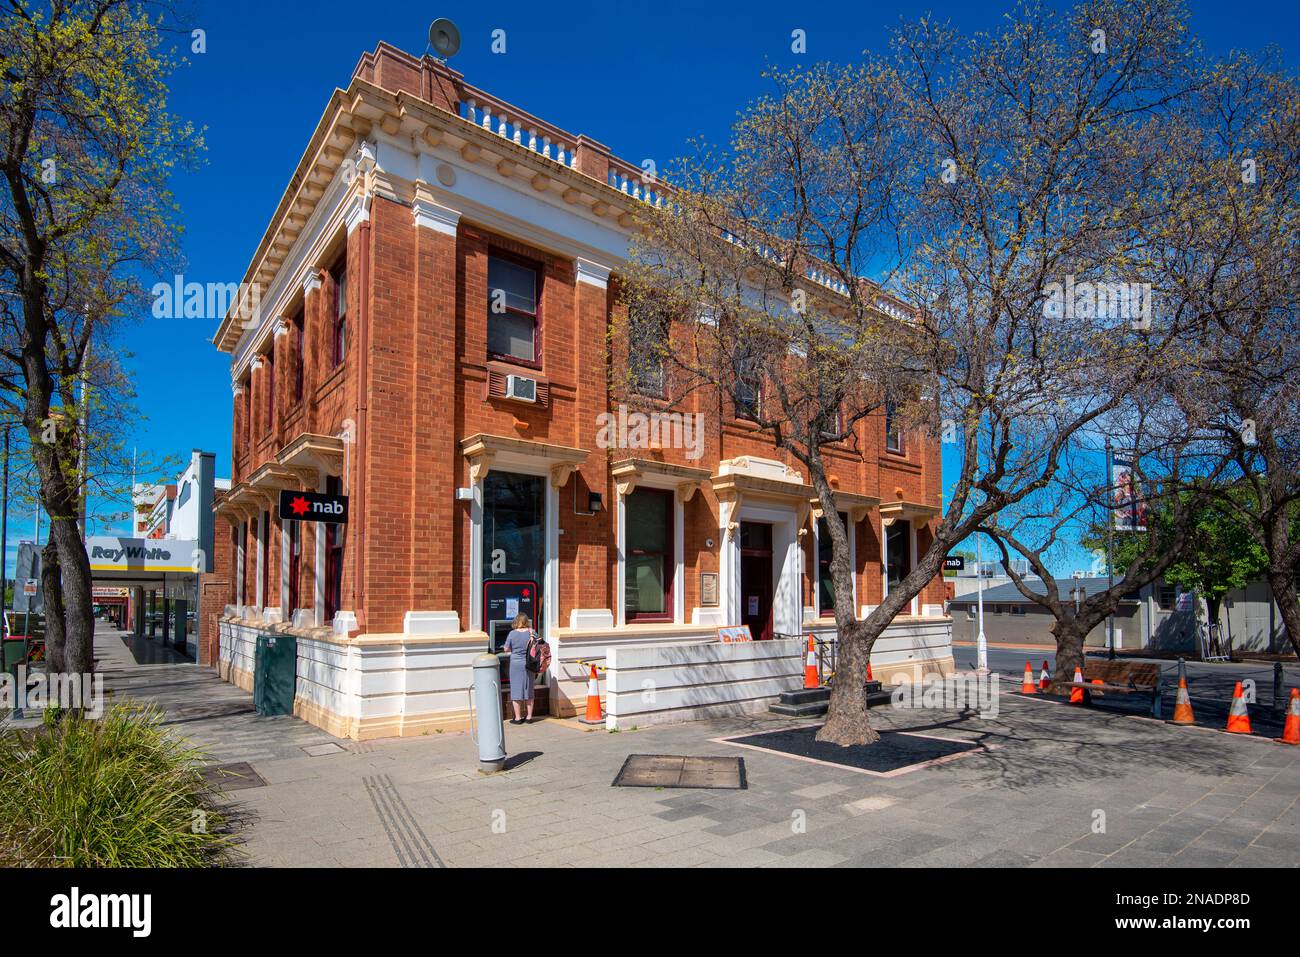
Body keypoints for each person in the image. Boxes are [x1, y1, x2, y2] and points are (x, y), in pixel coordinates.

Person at [501, 613, 536, 724]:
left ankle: (518, 718)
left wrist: (512, 648)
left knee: (516, 689)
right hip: (529, 664)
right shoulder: (532, 632)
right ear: (526, 621)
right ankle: (529, 717)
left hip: (516, 664)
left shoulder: (512, 633)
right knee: (529, 689)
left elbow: (506, 649)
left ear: (516, 621)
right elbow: (537, 646)